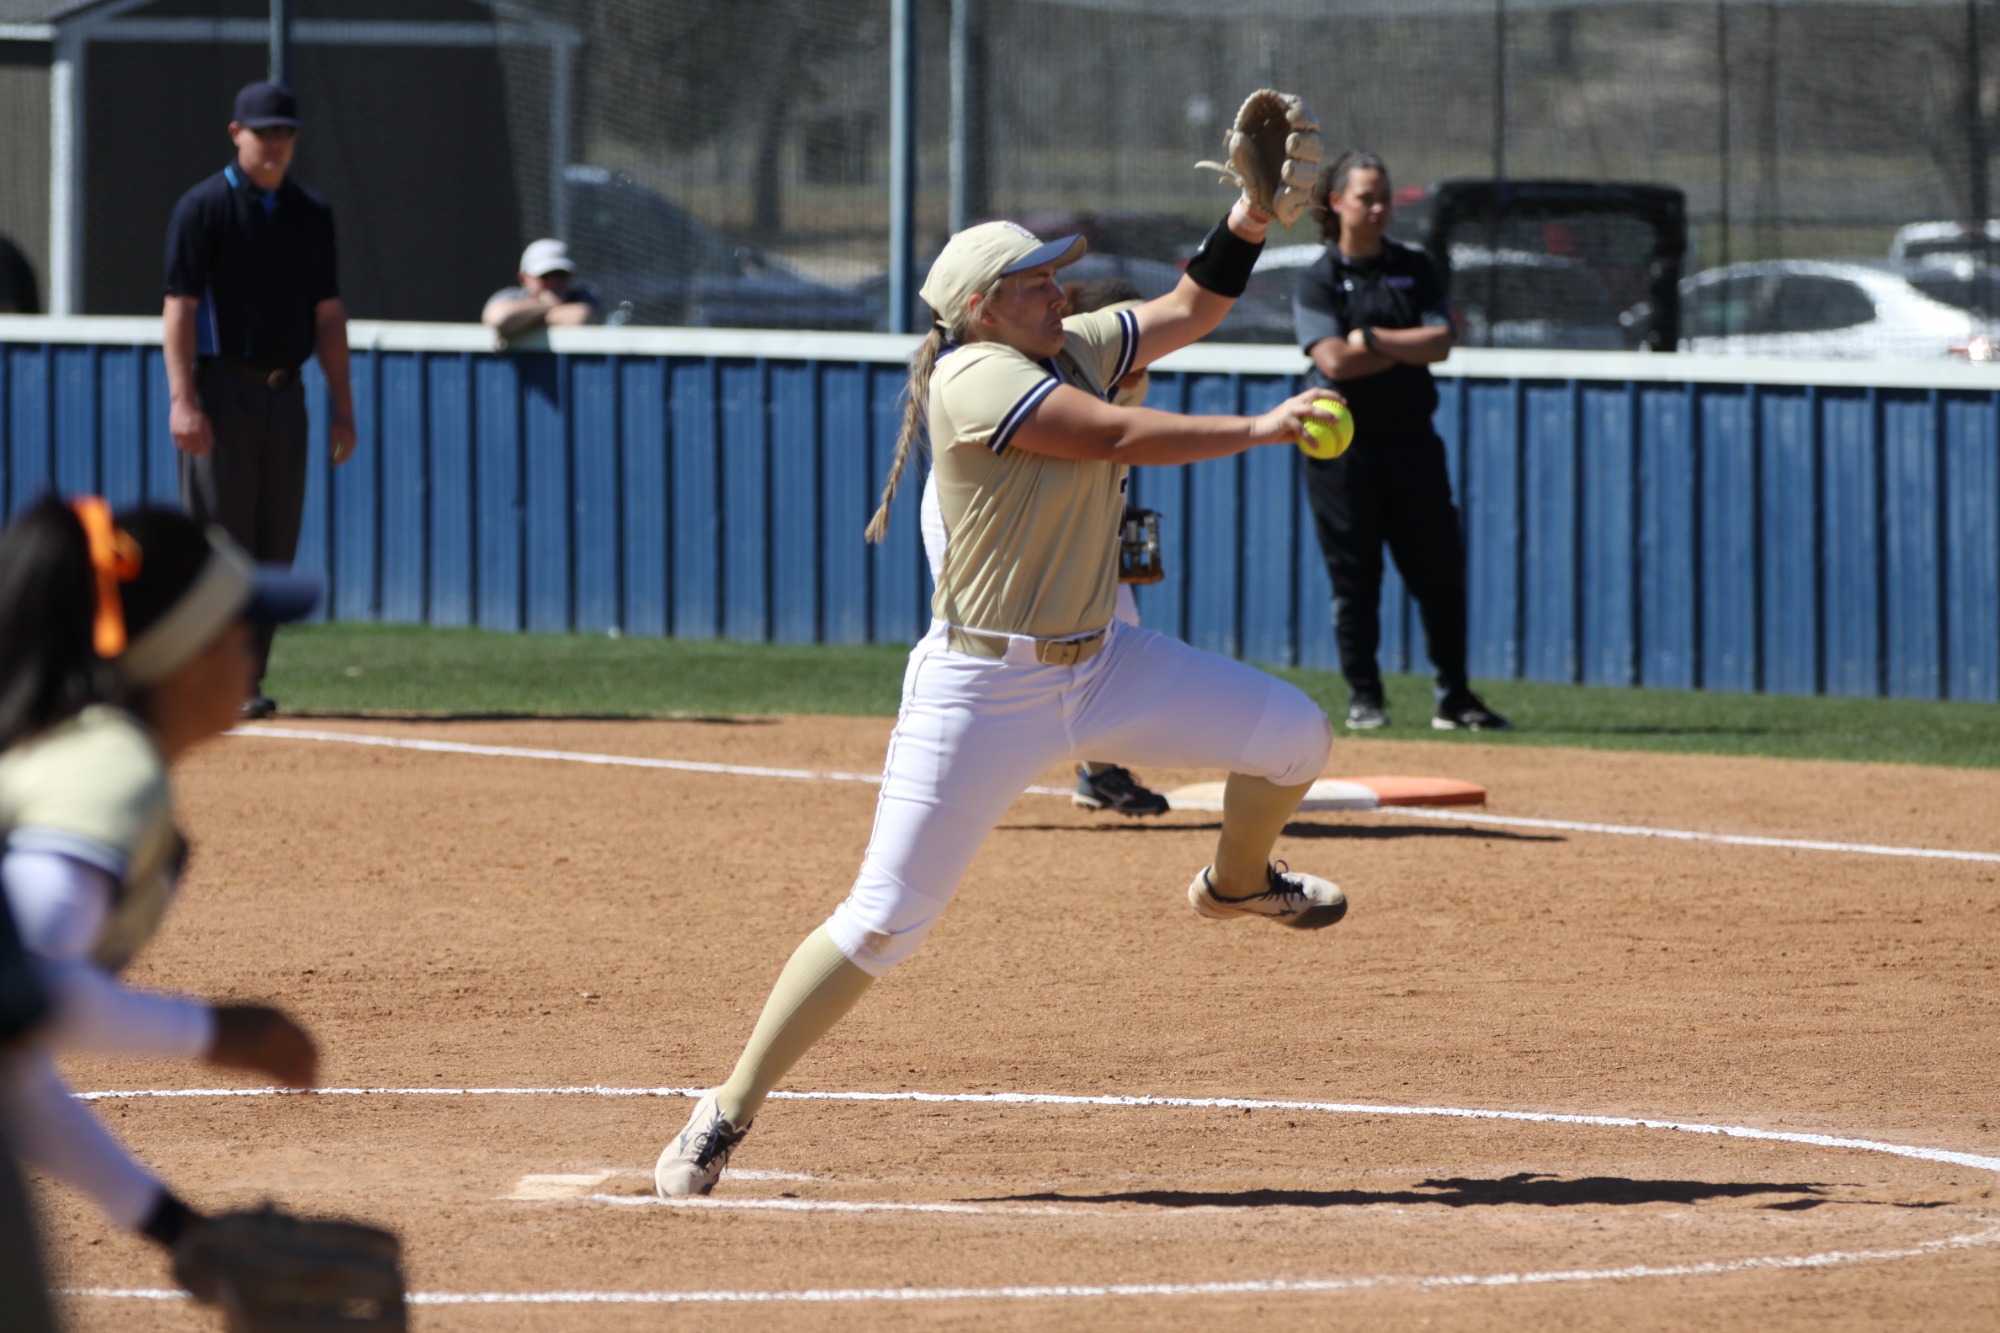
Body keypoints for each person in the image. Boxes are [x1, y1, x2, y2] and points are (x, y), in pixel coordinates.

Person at [655, 189, 1349, 1198]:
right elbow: (1109, 438)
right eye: (1031, 279)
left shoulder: (1060, 341)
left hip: (1103, 662)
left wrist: (1244, 218)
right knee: (884, 921)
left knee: (1293, 735)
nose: (1054, 287)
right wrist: (1261, 428)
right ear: (980, 304)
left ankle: (1236, 883)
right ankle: (723, 1107)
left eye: (1054, 272)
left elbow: (1191, 310)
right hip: (981, 686)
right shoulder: (973, 376)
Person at [0, 495, 322, 1268]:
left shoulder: (61, 747)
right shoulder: (110, 768)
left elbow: (10, 1053)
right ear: (185, 657)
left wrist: (175, 1228)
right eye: (241, 631)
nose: (255, 653)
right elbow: (24, 994)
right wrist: (218, 1031)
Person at [918, 275, 1171, 818]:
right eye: (1128, 329)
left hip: (1058, 517)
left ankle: (1100, 773)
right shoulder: (1049, 367)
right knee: (981, 637)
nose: (1141, 344)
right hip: (980, 509)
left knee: (1110, 628)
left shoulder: (1131, 377)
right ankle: (938, 771)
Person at [1294, 151, 1510, 732]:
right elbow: (1333, 360)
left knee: (1440, 573)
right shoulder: (1318, 277)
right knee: (1356, 581)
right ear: (1336, 202)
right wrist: (1396, 345)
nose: (1379, 208)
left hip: (1413, 444)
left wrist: (1371, 336)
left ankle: (1455, 698)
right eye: (1366, 196)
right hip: (1345, 456)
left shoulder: (1415, 266)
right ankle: (1366, 698)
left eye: (1385, 196)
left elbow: (1440, 342)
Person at [162, 81, 355, 722]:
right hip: (223, 389)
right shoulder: (204, 207)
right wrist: (183, 398)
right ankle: (206, 677)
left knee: (275, 544)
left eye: (285, 133)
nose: (274, 144)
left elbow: (328, 314)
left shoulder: (310, 213)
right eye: (263, 132)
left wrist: (343, 404)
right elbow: (180, 309)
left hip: (286, 393)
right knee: (225, 543)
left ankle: (247, 678)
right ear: (235, 133)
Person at [482, 239, 604, 345]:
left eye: (560, 275)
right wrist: (549, 305)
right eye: (545, 276)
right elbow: (499, 318)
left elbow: (581, 317)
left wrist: (521, 322)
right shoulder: (511, 295)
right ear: (523, 279)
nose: (554, 283)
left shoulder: (583, 295)